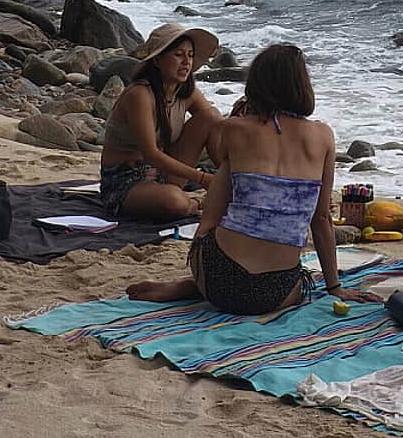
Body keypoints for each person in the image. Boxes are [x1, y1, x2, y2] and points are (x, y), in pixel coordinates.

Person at [127, 43, 357, 314]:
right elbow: (320, 219)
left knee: (229, 170)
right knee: (298, 270)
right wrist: (334, 288)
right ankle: (197, 286)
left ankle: (195, 284)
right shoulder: (324, 136)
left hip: (220, 280)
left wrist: (241, 115)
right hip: (277, 292)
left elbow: (230, 173)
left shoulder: (235, 128)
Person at [99, 23, 224, 221]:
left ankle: (229, 179)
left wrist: (231, 170)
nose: (186, 62)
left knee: (212, 116)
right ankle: (199, 202)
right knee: (175, 202)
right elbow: (151, 154)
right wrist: (203, 179)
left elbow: (215, 125)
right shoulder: (139, 94)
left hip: (163, 174)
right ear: (157, 60)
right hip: (126, 181)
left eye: (190, 55)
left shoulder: (185, 92)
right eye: (178, 55)